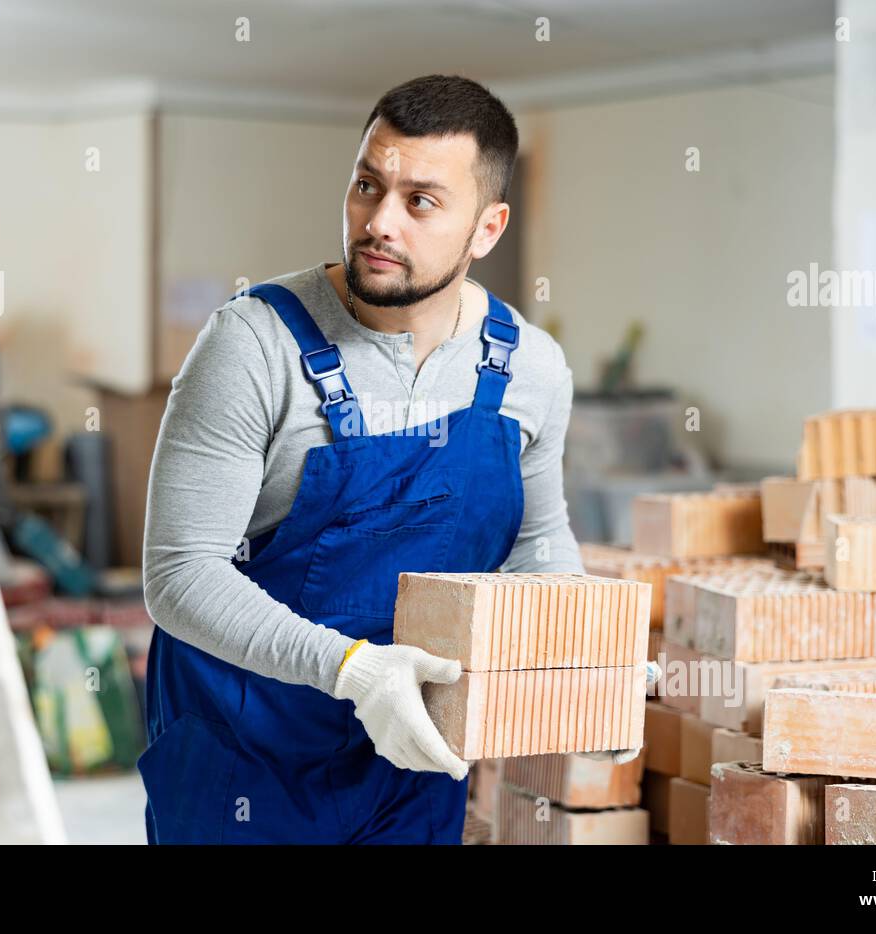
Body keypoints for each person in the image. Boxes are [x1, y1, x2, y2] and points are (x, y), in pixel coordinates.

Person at [139, 74, 609, 845]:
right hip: (243, 760)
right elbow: (181, 574)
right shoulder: (253, 345)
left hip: (412, 762)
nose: (378, 222)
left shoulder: (532, 370)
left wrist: (581, 666)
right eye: (367, 185)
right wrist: (354, 671)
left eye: (421, 201)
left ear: (487, 228)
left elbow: (536, 544)